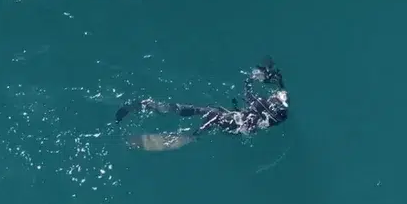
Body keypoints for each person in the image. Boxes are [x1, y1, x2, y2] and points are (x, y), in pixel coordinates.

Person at [115, 58, 288, 151]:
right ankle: (191, 135)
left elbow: (247, 94)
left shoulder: (262, 106)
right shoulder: (270, 118)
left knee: (205, 113)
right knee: (209, 116)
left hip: (224, 118)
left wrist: (252, 78)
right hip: (233, 125)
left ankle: (186, 132)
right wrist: (278, 83)